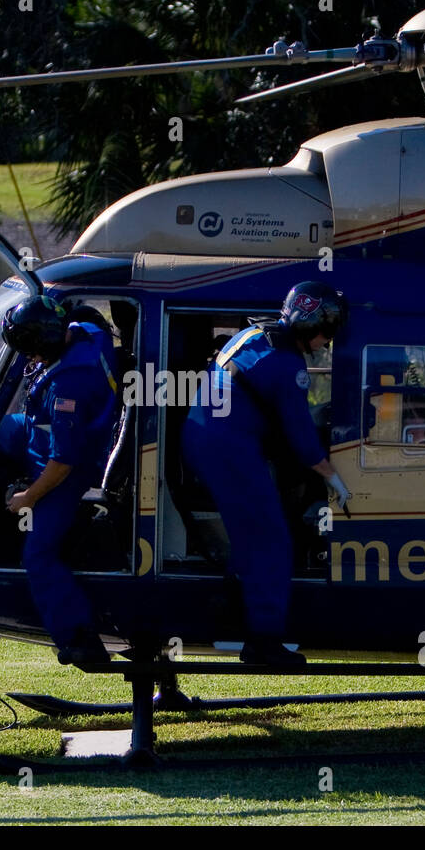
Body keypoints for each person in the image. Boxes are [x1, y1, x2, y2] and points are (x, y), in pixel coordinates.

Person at [182, 281, 352, 666]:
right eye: (328, 332)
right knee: (272, 543)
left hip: (204, 437)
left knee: (249, 536)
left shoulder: (255, 334)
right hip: (228, 448)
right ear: (313, 325)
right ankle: (263, 642)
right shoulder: (288, 363)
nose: (328, 343)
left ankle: (230, 614)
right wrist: (333, 477)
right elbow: (302, 439)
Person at [0, 295, 120, 668]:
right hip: (44, 436)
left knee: (38, 555)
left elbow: (63, 462)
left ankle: (79, 638)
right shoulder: (86, 331)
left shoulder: (70, 385)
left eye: (29, 350)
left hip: (69, 469)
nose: (28, 358)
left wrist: (27, 498)